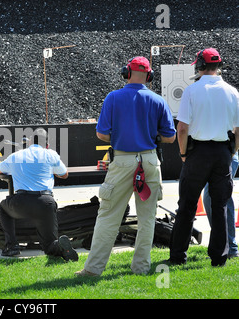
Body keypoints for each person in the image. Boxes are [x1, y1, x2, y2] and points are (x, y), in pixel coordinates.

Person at [75, 56, 176, 277]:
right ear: (149, 76)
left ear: (126, 73)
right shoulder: (158, 100)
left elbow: (102, 134)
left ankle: (93, 270)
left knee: (109, 216)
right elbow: (169, 138)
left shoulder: (113, 97)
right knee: (147, 218)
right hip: (149, 161)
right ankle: (140, 268)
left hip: (122, 160)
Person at [169, 48, 239, 267]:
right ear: (218, 66)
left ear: (199, 66)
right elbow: (238, 129)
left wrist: (183, 153)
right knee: (219, 206)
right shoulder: (232, 91)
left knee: (187, 206)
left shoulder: (192, 90)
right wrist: (232, 151)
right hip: (222, 152)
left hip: (197, 152)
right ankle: (219, 257)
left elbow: (182, 129)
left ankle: (178, 255)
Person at [0, 128, 78, 262]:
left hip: (20, 202)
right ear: (47, 145)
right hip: (45, 203)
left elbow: (0, 170)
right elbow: (64, 174)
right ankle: (59, 246)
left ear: (29, 143)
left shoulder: (16, 155)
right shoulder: (50, 154)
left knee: (3, 207)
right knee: (49, 245)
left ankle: (12, 246)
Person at [203, 152, 238, 258]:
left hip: (227, 154)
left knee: (219, 197)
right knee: (212, 198)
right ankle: (223, 245)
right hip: (212, 155)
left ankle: (230, 247)